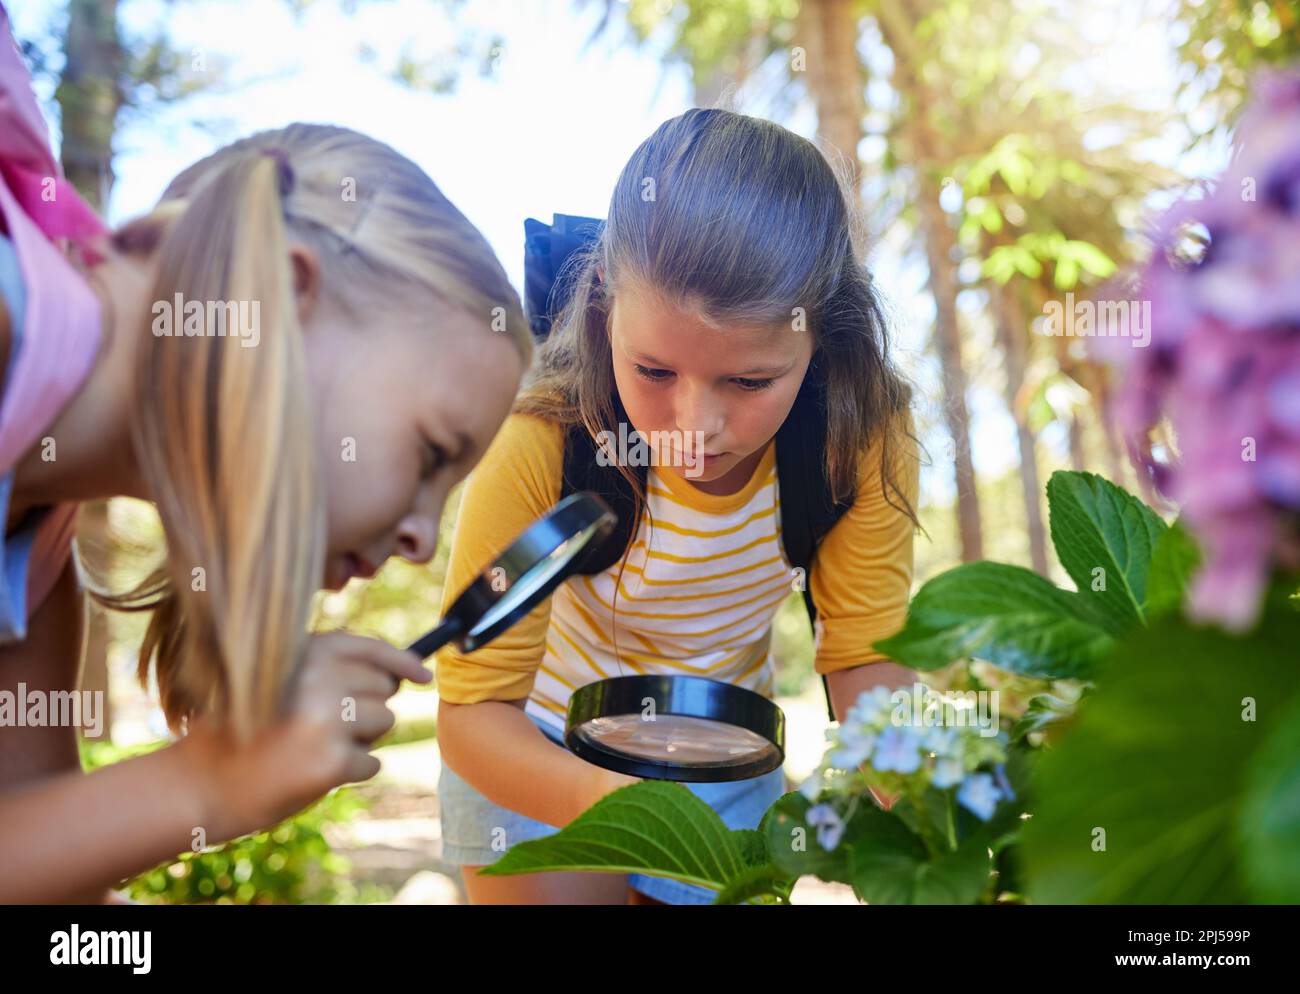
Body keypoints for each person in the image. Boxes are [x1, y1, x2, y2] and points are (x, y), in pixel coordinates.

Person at [0, 3, 531, 903]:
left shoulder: (38, 565)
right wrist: (203, 784)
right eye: (432, 454)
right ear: (283, 298)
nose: (421, 542)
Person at [435, 108, 921, 905]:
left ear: (822, 339)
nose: (695, 427)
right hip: (535, 748)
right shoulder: (542, 442)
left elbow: (865, 658)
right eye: (654, 371)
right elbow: (473, 713)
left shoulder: (857, 436)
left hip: (725, 751)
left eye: (750, 380)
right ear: (604, 307)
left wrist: (928, 829)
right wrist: (632, 813)